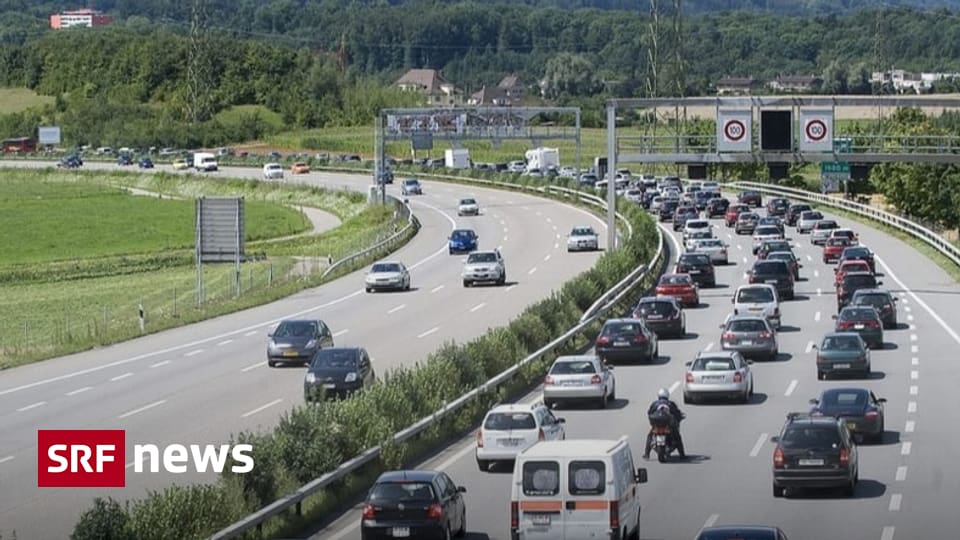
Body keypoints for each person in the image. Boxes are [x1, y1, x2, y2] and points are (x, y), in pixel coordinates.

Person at [643, 388, 686, 459]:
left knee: (650, 436)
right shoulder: (670, 403)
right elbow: (677, 413)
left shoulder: (655, 403)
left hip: (656, 424)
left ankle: (647, 454)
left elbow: (649, 412)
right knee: (677, 436)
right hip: (668, 425)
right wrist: (680, 417)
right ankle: (682, 455)